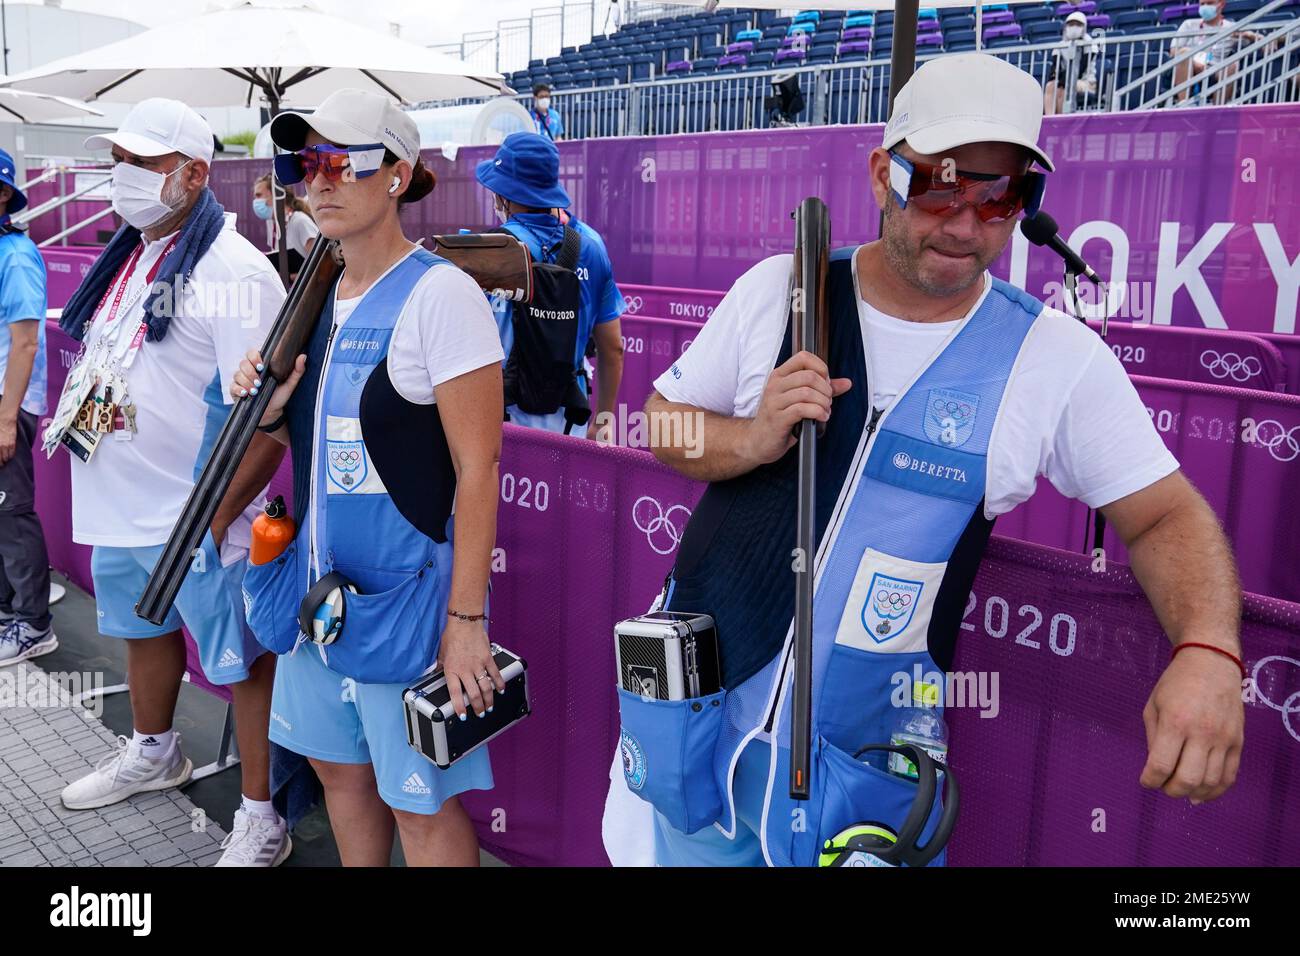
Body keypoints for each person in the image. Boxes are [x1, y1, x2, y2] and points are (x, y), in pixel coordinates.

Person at [604, 54, 1244, 867]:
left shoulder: (1054, 357)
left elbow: (1165, 514)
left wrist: (1208, 653)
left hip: (863, 796)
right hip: (700, 758)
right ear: (884, 174)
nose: (965, 224)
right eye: (942, 185)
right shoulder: (781, 290)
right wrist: (748, 438)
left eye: (1001, 197)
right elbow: (662, 428)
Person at [235, 88, 506, 867]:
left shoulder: (440, 294)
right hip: (318, 605)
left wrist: (465, 624)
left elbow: (479, 469)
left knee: (419, 803)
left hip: (407, 612)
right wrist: (269, 403)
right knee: (340, 779)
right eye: (299, 163)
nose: (314, 181)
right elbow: (318, 444)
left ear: (395, 174)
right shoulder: (315, 296)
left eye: (335, 161)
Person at [47, 99, 291, 866]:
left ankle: (262, 816)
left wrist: (212, 520)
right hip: (123, 498)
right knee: (141, 633)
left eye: (142, 162)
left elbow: (267, 420)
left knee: (242, 663)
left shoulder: (235, 270)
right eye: (116, 157)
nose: (122, 176)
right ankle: (155, 752)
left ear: (194, 173)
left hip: (198, 513)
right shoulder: (129, 251)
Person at [476, 131, 624, 440]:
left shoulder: (489, 249)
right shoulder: (591, 246)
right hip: (570, 420)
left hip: (497, 422)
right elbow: (613, 347)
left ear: (505, 195)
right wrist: (604, 419)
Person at [0, 147, 55, 667]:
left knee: (11, 512)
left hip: (7, 402)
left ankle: (34, 623)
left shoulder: (15, 254)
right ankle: (7, 613)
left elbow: (25, 344)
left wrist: (5, 419)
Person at [1170, 0, 1263, 104]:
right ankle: (1183, 104)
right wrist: (1195, 63)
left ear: (1221, 4)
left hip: (1215, 70)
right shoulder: (1189, 24)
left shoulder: (1231, 28)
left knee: (1233, 65)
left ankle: (1218, 110)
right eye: (1202, 4)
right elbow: (1174, 51)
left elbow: (1260, 38)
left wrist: (1251, 35)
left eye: (1209, 3)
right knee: (1183, 52)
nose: (1205, 7)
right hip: (1190, 67)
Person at [252, 173, 319, 282]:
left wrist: (288, 277)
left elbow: (320, 264)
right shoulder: (272, 224)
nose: (255, 201)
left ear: (276, 195)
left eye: (259, 195)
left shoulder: (300, 221)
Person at [1043, 12, 1100, 115]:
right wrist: (1057, 78)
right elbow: (1055, 69)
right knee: (1050, 85)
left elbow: (1081, 67)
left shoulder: (1090, 43)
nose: (1074, 27)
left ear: (1084, 27)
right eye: (1071, 24)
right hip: (1064, 79)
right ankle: (1050, 118)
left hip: (1084, 81)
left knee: (1065, 88)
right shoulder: (1060, 45)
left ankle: (1061, 120)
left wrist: (1065, 80)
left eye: (1078, 24)